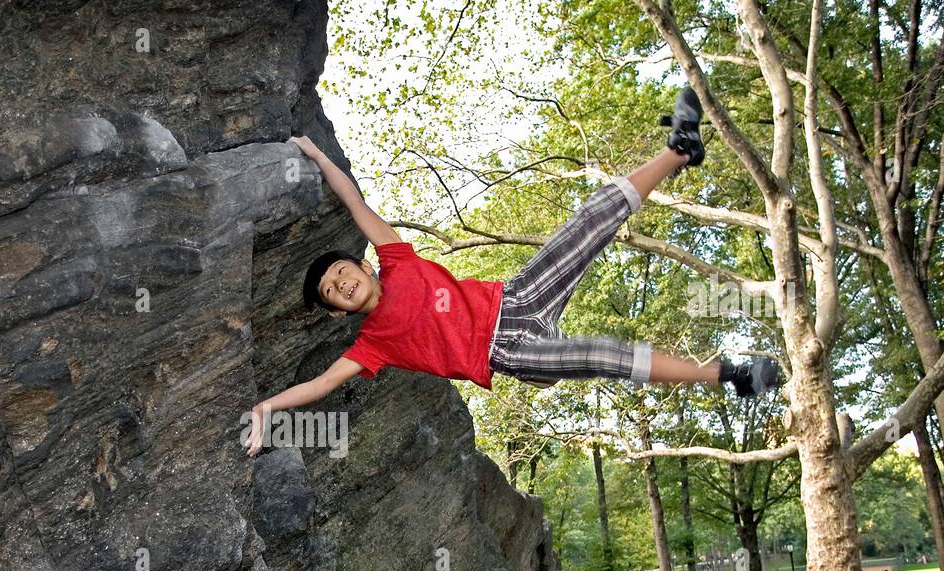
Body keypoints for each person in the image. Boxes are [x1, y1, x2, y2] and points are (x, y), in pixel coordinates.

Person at [246, 86, 782, 457]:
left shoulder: (397, 259)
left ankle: (680, 151)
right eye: (332, 293)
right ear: (340, 309)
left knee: (591, 219)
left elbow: (355, 201)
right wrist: (269, 406)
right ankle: (731, 376)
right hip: (506, 353)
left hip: (518, 298)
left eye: (340, 271)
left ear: (361, 262)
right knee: (601, 355)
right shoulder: (373, 346)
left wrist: (315, 153)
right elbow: (319, 383)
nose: (340, 284)